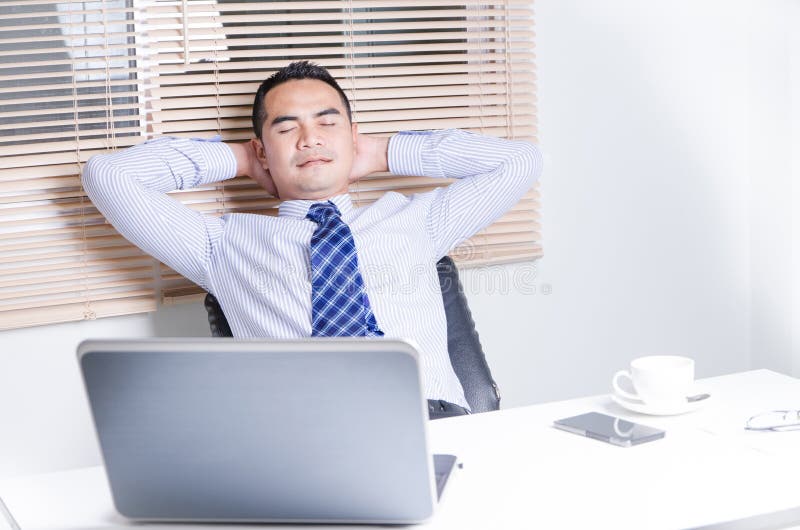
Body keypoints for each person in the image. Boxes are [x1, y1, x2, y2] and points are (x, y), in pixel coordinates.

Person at [82, 61, 543, 419]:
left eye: (327, 123)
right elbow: (106, 176)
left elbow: (520, 162)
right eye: (286, 128)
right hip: (307, 431)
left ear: (352, 136)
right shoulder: (220, 244)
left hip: (428, 417)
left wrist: (383, 150)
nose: (309, 139)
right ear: (264, 148)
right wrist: (240, 158)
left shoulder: (416, 220)